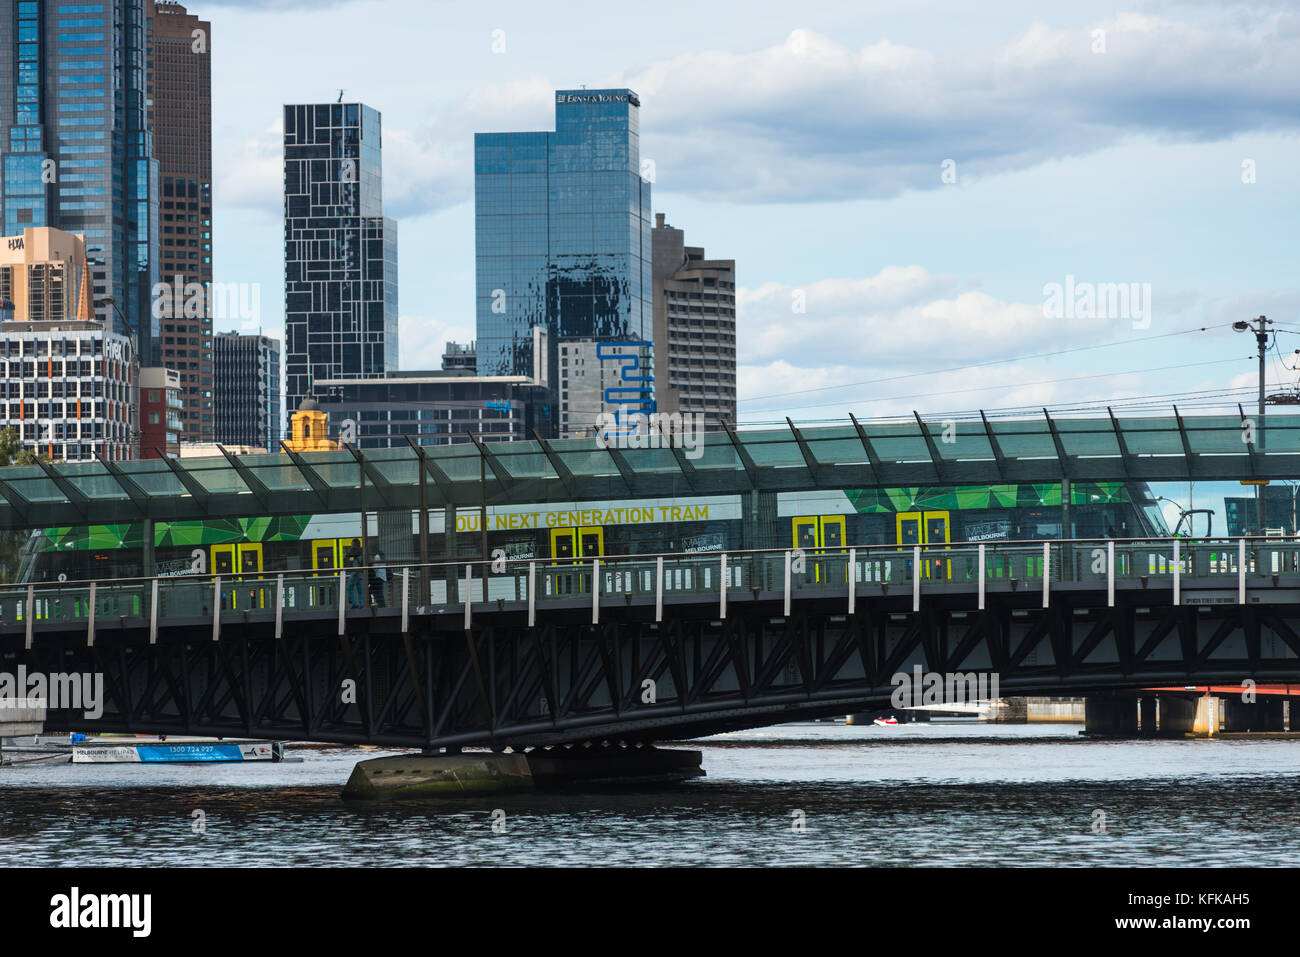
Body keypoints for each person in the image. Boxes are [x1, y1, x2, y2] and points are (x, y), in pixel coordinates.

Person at [344, 539, 364, 609]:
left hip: (355, 572)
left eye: (352, 544)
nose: (351, 545)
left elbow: (346, 557)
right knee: (360, 590)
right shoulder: (362, 551)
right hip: (361, 573)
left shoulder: (355, 551)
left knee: (349, 588)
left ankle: (354, 604)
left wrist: (349, 551)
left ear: (354, 544)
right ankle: (362, 605)